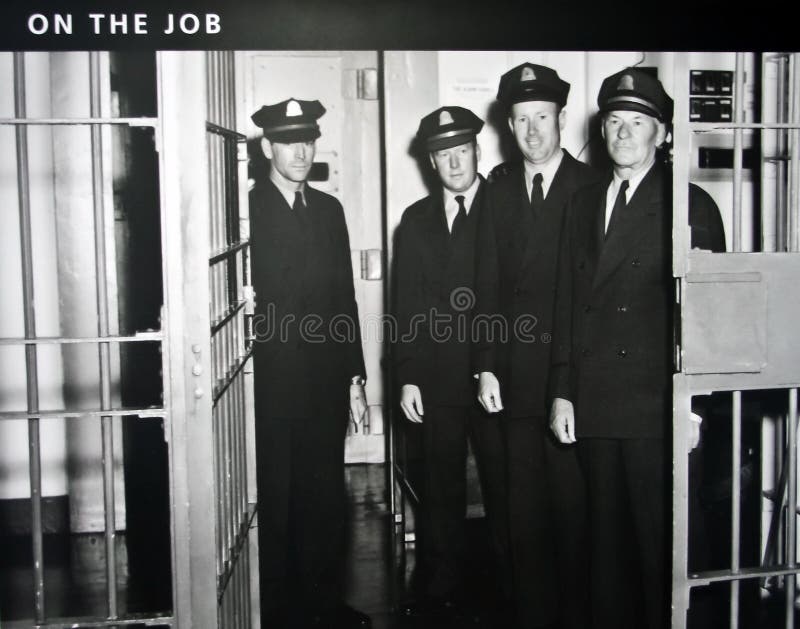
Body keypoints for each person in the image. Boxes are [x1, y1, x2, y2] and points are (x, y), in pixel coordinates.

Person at [548, 68, 725, 629]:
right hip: (597, 403)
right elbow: (569, 304)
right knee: (606, 554)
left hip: (659, 407)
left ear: (663, 134)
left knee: (661, 553)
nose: (623, 133)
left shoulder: (688, 204)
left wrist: (698, 406)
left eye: (638, 122)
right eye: (614, 122)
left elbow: (708, 316)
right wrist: (562, 392)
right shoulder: (581, 204)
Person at [472, 62, 600, 629]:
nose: (532, 131)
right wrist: (484, 367)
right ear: (508, 124)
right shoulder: (496, 191)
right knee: (521, 521)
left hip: (572, 383)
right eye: (521, 119)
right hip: (515, 380)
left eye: (541, 118)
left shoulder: (593, 188)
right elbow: (484, 284)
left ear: (561, 119)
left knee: (572, 519)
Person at [249, 98, 370, 629]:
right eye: (288, 140)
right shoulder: (247, 211)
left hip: (323, 382)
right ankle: (275, 611)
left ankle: (322, 603)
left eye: (308, 139)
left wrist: (354, 378)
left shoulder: (329, 210)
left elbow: (344, 299)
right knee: (275, 498)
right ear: (267, 147)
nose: (301, 150)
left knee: (323, 499)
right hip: (271, 383)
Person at [393, 106, 510, 619]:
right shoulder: (415, 221)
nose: (455, 161)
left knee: (504, 478)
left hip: (497, 375)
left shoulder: (506, 208)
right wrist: (408, 377)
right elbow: (407, 307)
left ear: (477, 151)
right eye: (444, 153)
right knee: (440, 483)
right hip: (436, 376)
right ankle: (442, 581)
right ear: (432, 161)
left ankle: (512, 577)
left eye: (463, 149)